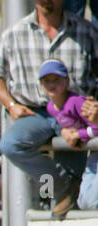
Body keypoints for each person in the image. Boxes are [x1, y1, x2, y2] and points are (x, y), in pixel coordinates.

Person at [0, 1, 98, 213]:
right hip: (35, 111)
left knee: (82, 190)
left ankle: (69, 196)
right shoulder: (14, 34)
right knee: (11, 144)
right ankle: (63, 186)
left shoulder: (85, 30)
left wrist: (95, 108)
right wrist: (11, 105)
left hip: (76, 111)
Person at [40, 59, 98, 215]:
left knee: (90, 201)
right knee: (86, 201)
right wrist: (65, 131)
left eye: (56, 80)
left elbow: (97, 127)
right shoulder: (51, 107)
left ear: (66, 81)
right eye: (47, 81)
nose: (52, 85)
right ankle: (67, 191)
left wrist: (77, 134)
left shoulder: (77, 103)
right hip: (91, 151)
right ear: (41, 85)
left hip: (94, 148)